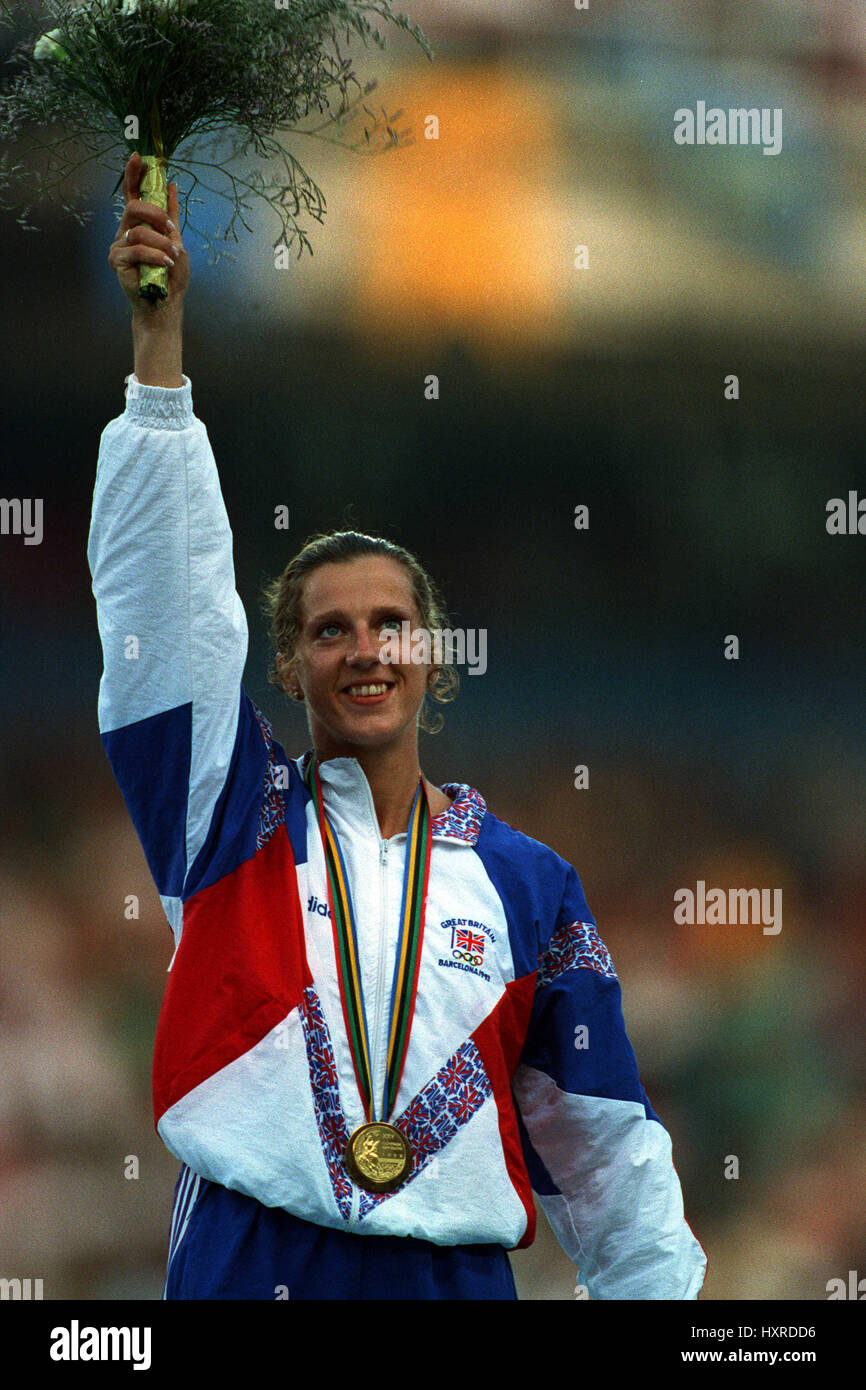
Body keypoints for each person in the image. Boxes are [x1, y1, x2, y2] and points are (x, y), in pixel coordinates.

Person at [88, 152, 707, 1300]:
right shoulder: (229, 821)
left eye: (389, 624)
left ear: (431, 655)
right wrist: (157, 363)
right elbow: (167, 619)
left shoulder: (531, 886)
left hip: (450, 1278)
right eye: (328, 631)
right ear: (286, 665)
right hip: (251, 1262)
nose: (364, 649)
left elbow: (602, 1143)